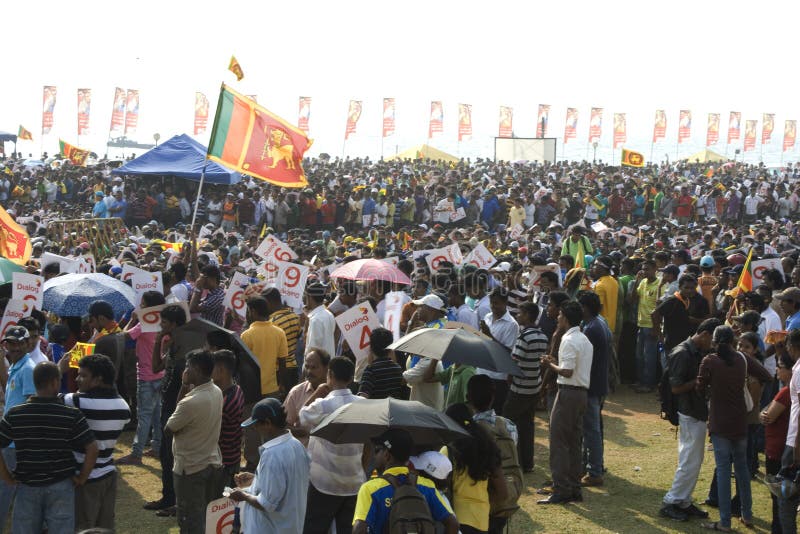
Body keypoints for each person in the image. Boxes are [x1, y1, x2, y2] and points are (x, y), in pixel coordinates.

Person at [0, 362, 98, 534]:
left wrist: (7, 477)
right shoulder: (71, 414)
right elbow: (92, 448)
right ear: (55, 383)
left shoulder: (15, 414)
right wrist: (82, 477)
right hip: (61, 485)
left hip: (27, 486)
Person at [697, 326, 771, 532]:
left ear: (714, 341)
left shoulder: (709, 361)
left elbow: (699, 387)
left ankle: (725, 522)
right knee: (742, 470)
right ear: (733, 341)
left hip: (720, 422)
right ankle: (746, 515)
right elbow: (767, 375)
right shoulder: (742, 359)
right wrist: (753, 393)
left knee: (723, 470)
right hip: (740, 422)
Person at [660, 318, 721, 522]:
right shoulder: (682, 353)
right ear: (704, 334)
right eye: (712, 340)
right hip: (688, 412)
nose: (713, 345)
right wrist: (700, 381)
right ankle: (672, 501)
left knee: (695, 459)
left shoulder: (698, 351)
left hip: (697, 411)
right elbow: (675, 388)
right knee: (689, 460)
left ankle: (683, 501)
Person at [63, 354, 131, 531]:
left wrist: (59, 369)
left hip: (84, 477)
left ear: (98, 379)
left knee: (83, 526)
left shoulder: (77, 401)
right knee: (105, 526)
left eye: (83, 375)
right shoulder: (124, 407)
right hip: (108, 474)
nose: (78, 379)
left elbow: (44, 394)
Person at [299, 356, 365, 534]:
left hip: (324, 482)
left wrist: (319, 391)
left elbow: (301, 416)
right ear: (351, 378)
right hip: (354, 481)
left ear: (330, 374)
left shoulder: (324, 404)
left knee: (314, 527)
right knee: (346, 529)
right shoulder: (363, 405)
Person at [352, 428, 459, 534]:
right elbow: (453, 523)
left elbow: (359, 529)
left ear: (387, 455)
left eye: (377, 450)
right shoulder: (427, 486)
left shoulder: (371, 489)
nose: (374, 455)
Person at [539, 301, 592, 504]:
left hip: (568, 393)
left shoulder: (568, 340)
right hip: (581, 394)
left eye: (560, 315)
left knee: (559, 443)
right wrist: (555, 362)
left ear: (566, 318)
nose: (557, 318)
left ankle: (561, 489)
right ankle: (574, 488)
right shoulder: (584, 339)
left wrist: (549, 364)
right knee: (573, 443)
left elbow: (567, 372)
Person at [165, 349, 225, 534]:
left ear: (197, 369)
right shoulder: (216, 391)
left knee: (190, 520)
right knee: (206, 518)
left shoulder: (190, 402)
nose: (185, 370)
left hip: (190, 469)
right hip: (211, 463)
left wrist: (183, 386)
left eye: (187, 367)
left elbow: (169, 428)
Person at [229, 398, 310, 533]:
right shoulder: (296, 445)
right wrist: (256, 479)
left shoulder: (272, 454)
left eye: (256, 425)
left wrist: (242, 496)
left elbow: (266, 504)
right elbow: (286, 483)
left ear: (267, 423)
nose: (255, 429)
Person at [145, 304, 187, 516]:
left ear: (174, 323)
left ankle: (175, 501)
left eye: (164, 322)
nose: (160, 325)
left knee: (173, 455)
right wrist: (158, 342)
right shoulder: (171, 343)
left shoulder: (187, 345)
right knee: (165, 452)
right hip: (167, 403)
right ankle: (168, 497)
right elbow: (155, 368)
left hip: (177, 405)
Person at [240, 296, 289, 469]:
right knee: (270, 427)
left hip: (251, 391)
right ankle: (269, 459)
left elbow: (243, 366)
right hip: (272, 389)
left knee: (252, 429)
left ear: (252, 311)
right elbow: (282, 362)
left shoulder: (247, 335)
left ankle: (253, 462)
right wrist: (281, 384)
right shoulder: (279, 332)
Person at [443, 402, 507, 534]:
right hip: (482, 522)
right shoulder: (488, 448)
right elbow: (503, 493)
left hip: (455, 521)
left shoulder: (448, 451)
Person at [119, 290, 166, 465]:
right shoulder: (165, 322)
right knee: (156, 413)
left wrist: (133, 319)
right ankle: (157, 446)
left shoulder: (145, 323)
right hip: (160, 374)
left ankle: (136, 453)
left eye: (143, 304)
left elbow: (125, 335)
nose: (141, 307)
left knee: (145, 415)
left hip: (146, 375)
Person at [502, 301, 547, 472]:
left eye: (520, 313)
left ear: (528, 315)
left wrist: (509, 378)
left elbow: (514, 362)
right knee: (527, 426)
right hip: (533, 387)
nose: (517, 316)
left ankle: (511, 462)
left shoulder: (524, 337)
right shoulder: (542, 336)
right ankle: (527, 463)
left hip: (519, 388)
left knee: (507, 423)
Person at [0, 326, 36, 525]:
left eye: (19, 343)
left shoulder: (28, 369)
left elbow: (32, 406)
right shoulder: (16, 366)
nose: (15, 347)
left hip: (16, 444)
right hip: (10, 441)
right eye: (11, 343)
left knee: (5, 489)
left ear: (27, 343)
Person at [576, 290, 610, 487]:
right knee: (595, 429)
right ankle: (595, 465)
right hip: (599, 382)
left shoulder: (591, 328)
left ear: (585, 308)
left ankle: (594, 471)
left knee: (591, 430)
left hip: (591, 384)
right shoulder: (599, 322)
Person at [760, 352, 793, 534]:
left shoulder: (786, 392)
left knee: (779, 499)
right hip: (783, 448)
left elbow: (768, 416)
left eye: (780, 366)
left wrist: (763, 413)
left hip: (778, 450)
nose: (777, 369)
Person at [478, 287, 519, 413]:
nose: (493, 306)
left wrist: (490, 336)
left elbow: (507, 352)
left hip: (498, 377)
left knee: (495, 413)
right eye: (491, 303)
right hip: (481, 372)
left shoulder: (512, 324)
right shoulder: (488, 317)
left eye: (496, 303)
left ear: (505, 303)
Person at [211, 350, 244, 486]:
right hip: (231, 458)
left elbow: (211, 431)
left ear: (221, 370)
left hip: (223, 462)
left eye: (211, 367)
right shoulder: (236, 389)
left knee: (217, 504)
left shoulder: (226, 401)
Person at [629, 259, 661, 393]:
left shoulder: (660, 284)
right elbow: (632, 300)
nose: (644, 272)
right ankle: (641, 381)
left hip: (651, 325)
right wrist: (637, 280)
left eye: (647, 269)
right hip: (641, 324)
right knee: (639, 356)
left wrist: (656, 327)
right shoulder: (642, 282)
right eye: (643, 269)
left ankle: (649, 384)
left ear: (655, 269)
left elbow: (661, 307)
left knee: (650, 357)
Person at [264, 287, 301, 394]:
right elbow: (297, 338)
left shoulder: (273, 322)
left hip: (280, 371)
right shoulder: (294, 316)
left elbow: (274, 352)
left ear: (269, 302)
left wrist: (281, 382)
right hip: (293, 367)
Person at [284, 348, 330, 429]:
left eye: (314, 367)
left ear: (326, 368)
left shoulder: (336, 392)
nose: (309, 371)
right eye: (307, 366)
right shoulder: (296, 392)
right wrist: (299, 432)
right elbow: (284, 426)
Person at [358, 328, 404, 400]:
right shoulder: (397, 368)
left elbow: (363, 397)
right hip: (393, 409)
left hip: (376, 410)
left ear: (371, 347)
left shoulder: (370, 370)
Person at [305, 282, 336, 357]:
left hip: (318, 365)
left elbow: (313, 348)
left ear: (310, 297)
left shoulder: (316, 319)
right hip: (327, 362)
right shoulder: (329, 314)